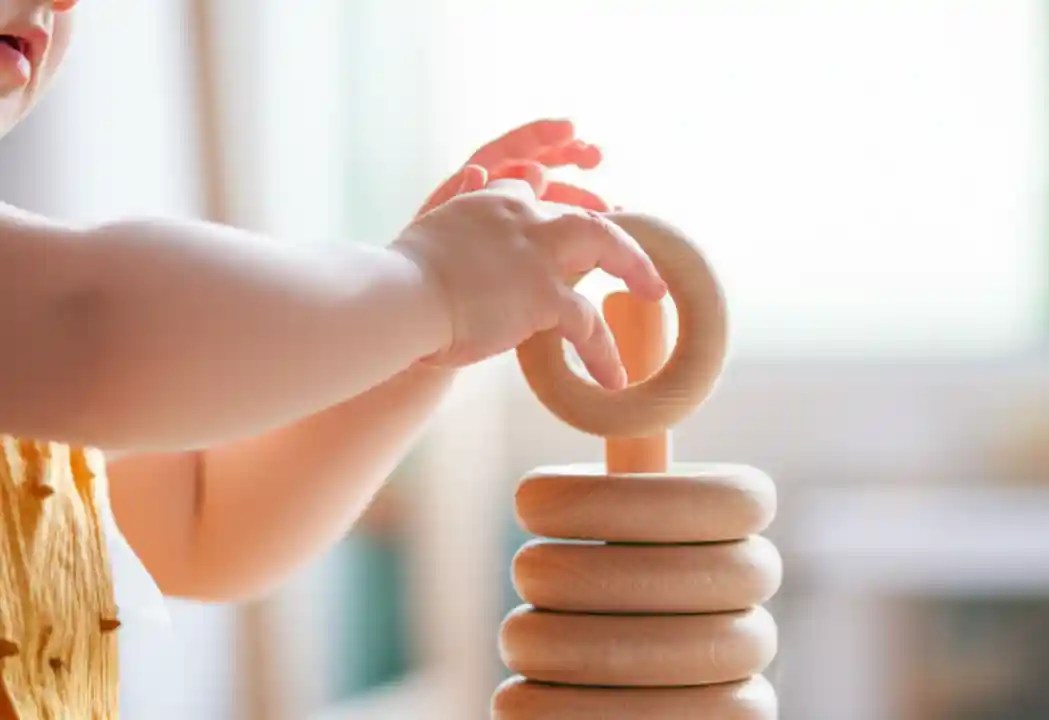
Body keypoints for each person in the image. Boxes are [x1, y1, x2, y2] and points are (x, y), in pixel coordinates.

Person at [0, 0, 665, 604]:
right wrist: (428, 286)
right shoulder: (52, 317)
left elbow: (205, 527)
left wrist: (421, 349)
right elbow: (99, 327)